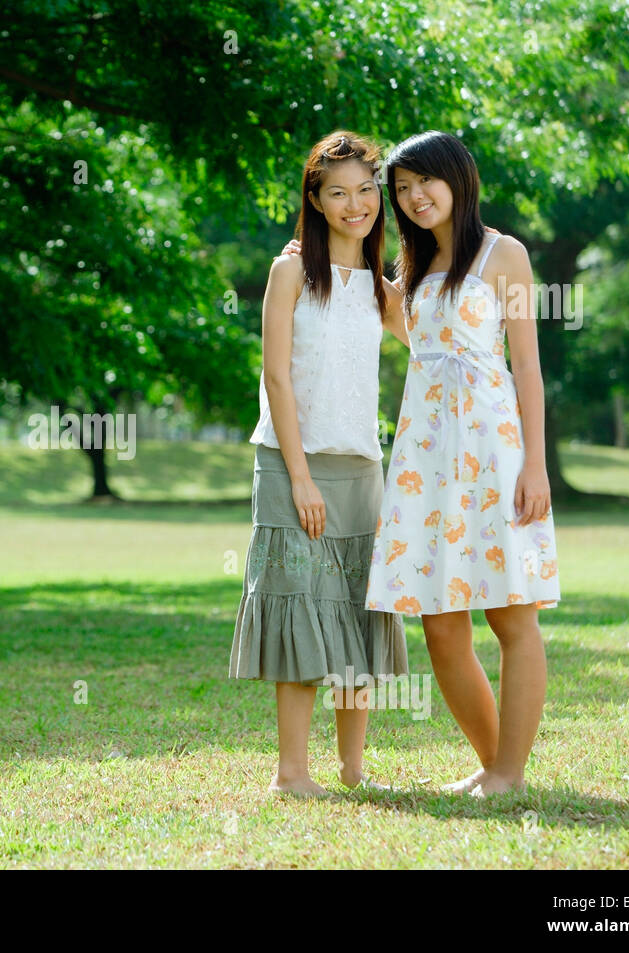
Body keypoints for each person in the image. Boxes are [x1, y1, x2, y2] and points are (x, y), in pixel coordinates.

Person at [364, 130, 559, 798]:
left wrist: (535, 465)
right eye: (404, 189)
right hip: (425, 458)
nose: (416, 197)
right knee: (440, 625)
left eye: (426, 182)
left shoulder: (504, 255)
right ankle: (495, 765)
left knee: (511, 614)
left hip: (494, 454)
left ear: (459, 179)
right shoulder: (411, 268)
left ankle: (508, 772)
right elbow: (415, 336)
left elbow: (528, 368)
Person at [229, 131, 408, 798]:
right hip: (289, 465)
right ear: (315, 198)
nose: (355, 203)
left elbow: (435, 339)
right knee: (300, 607)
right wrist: (300, 477)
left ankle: (355, 771)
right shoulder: (290, 273)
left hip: (361, 468)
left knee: (358, 616)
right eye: (338, 192)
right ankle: (290, 774)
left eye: (366, 190)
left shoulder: (382, 291)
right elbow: (276, 379)